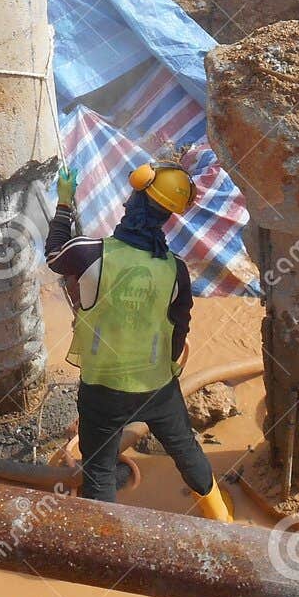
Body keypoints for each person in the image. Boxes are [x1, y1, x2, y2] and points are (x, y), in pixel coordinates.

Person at [47, 160, 232, 520]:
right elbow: (180, 326)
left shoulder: (87, 253)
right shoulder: (174, 267)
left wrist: (64, 202)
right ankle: (224, 522)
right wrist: (172, 365)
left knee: (99, 471)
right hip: (157, 387)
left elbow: (54, 253)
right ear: (167, 215)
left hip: (103, 389)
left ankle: (107, 551)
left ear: (134, 197)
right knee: (186, 450)